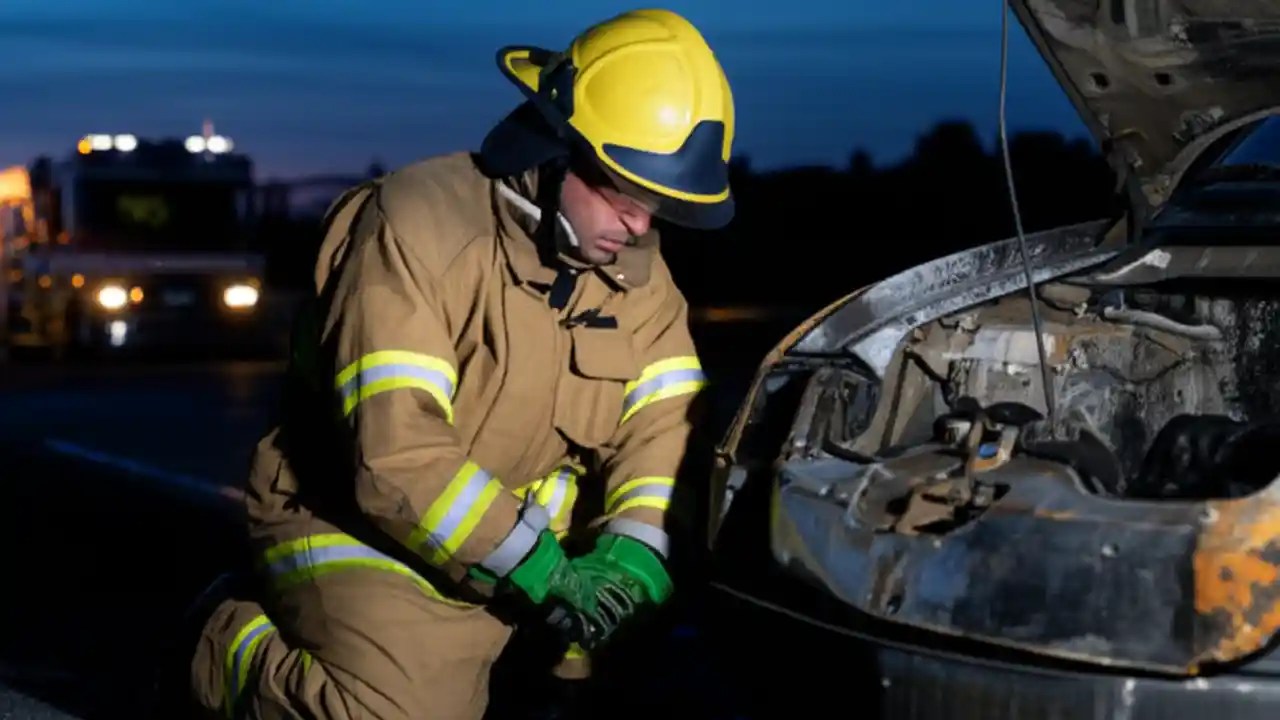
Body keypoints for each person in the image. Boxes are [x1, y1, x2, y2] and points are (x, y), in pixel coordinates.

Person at [177, 7, 736, 720]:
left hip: (534, 557)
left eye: (655, 203)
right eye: (624, 193)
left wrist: (631, 551)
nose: (639, 224)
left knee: (605, 693)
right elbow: (394, 456)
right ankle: (221, 650)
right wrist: (537, 568)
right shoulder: (416, 225)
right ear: (553, 149)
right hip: (361, 526)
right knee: (404, 712)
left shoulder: (640, 279)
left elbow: (666, 429)